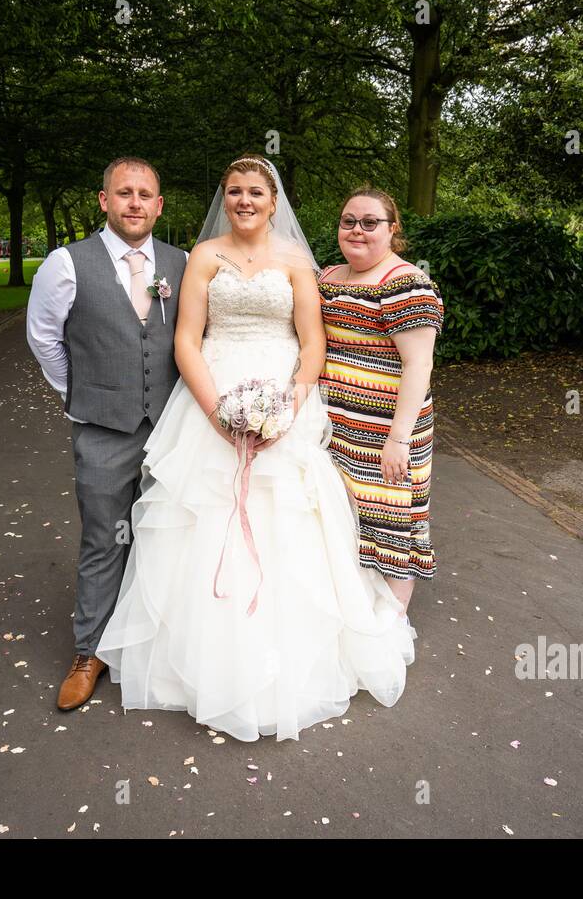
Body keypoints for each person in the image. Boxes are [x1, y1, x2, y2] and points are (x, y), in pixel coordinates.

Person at [92, 155, 415, 742]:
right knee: (201, 518)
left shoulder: (297, 261)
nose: (245, 200)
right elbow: (188, 338)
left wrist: (290, 404)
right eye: (235, 191)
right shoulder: (204, 258)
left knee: (288, 519)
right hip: (212, 394)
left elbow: (312, 341)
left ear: (273, 201)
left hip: (282, 394)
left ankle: (288, 659)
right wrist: (217, 410)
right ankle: (197, 661)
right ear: (226, 198)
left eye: (256, 193)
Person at [27, 157, 189, 712]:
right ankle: (89, 651)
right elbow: (45, 339)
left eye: (146, 194)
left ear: (159, 205)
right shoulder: (66, 263)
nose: (135, 203)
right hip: (102, 428)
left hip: (172, 428)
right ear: (104, 200)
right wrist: (84, 395)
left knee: (168, 535)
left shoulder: (181, 262)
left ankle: (157, 646)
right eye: (124, 193)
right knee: (104, 537)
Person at [317, 188, 444, 614]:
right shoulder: (328, 276)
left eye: (370, 222)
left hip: (387, 433)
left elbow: (418, 365)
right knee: (346, 521)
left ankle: (388, 633)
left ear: (392, 230)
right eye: (349, 221)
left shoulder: (407, 284)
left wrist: (399, 440)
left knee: (390, 524)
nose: (357, 230)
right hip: (337, 429)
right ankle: (351, 623)